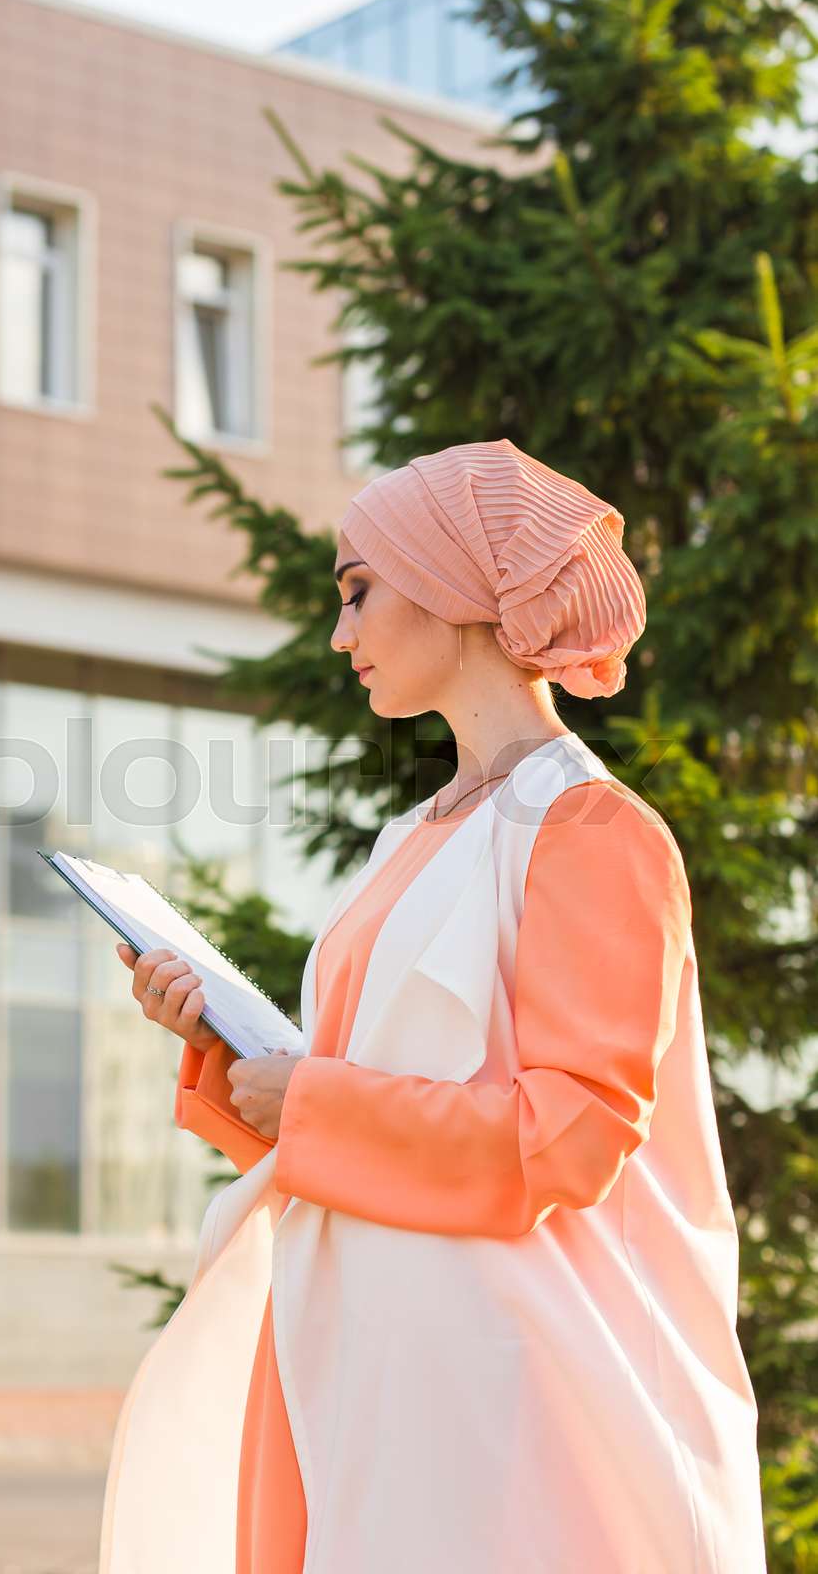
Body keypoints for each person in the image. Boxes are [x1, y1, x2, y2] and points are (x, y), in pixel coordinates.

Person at [104, 439, 767, 1573]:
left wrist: (309, 1101)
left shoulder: (592, 830)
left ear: (451, 585)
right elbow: (367, 1104)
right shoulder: (412, 836)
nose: (340, 634)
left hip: (508, 1410)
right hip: (367, 1378)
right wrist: (227, 1052)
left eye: (358, 591)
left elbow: (569, 1135)